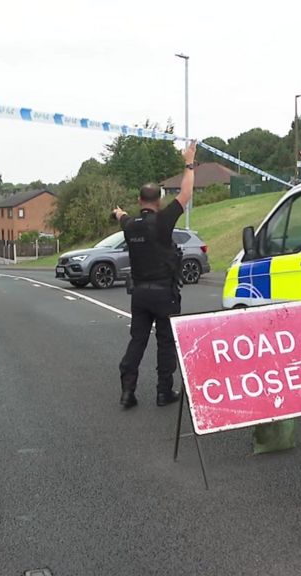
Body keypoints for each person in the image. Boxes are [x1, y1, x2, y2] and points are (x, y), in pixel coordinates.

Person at [111, 141, 197, 409]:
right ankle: (163, 392)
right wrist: (189, 162)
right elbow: (186, 192)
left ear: (140, 201)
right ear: (158, 201)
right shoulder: (164, 220)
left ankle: (128, 391)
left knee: (137, 340)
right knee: (165, 342)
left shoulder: (130, 226)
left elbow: (122, 216)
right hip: (164, 294)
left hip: (139, 295)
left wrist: (118, 212)